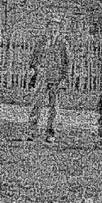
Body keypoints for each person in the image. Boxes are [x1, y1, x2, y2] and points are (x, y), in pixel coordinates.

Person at [25, 12, 72, 143]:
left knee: (53, 107)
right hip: (42, 76)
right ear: (47, 28)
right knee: (36, 104)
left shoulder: (63, 43)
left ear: (59, 29)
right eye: (51, 26)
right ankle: (31, 132)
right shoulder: (41, 42)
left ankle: (50, 133)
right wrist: (34, 69)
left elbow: (68, 63)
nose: (53, 29)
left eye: (55, 26)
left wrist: (64, 79)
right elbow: (34, 59)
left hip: (56, 78)